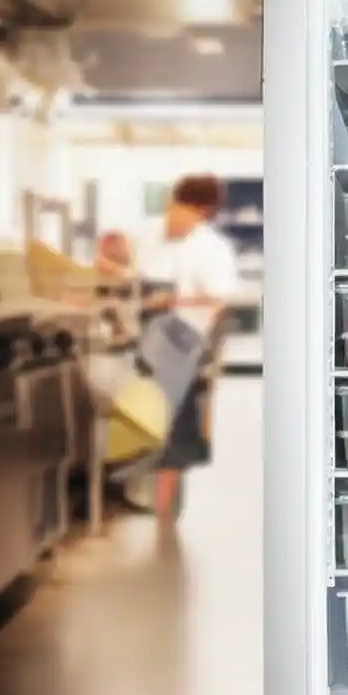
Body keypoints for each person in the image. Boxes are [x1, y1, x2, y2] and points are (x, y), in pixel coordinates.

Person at [102, 175, 239, 523]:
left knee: (174, 424)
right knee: (131, 410)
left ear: (203, 212)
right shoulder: (150, 234)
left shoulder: (212, 248)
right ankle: (125, 490)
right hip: (143, 333)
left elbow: (220, 298)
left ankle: (163, 506)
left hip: (183, 338)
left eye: (184, 212)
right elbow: (128, 268)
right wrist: (111, 258)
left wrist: (172, 299)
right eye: (172, 208)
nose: (173, 217)